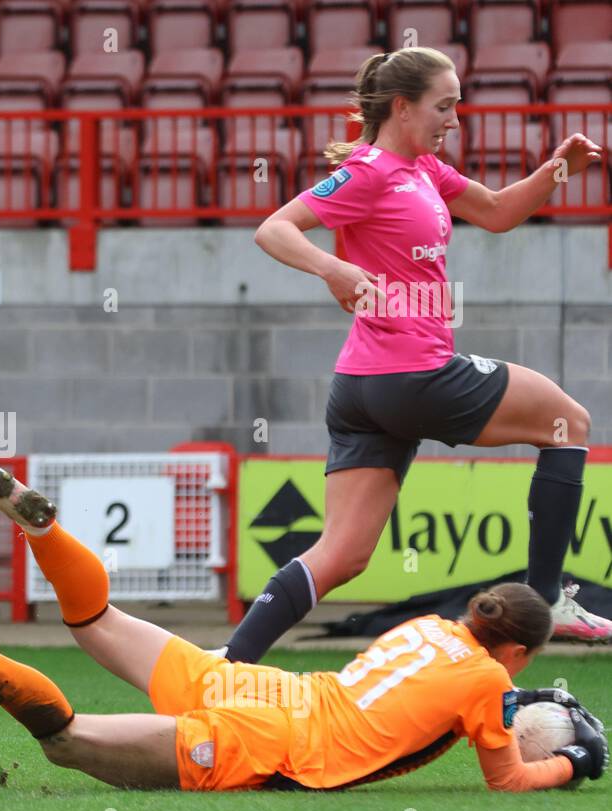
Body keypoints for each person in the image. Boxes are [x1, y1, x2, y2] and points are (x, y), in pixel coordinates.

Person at [0, 461, 608, 792]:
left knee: (95, 620)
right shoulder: (482, 678)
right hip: (273, 742)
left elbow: (429, 698)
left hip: (258, 685)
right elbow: (506, 778)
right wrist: (573, 762)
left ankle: (43, 530)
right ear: (513, 654)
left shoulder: (434, 630)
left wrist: (509, 699)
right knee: (65, 741)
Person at [228, 46, 609, 666]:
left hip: (363, 391)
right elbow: (274, 228)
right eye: (445, 105)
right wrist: (335, 269)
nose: (455, 117)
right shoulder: (370, 170)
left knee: (342, 555)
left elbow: (496, 212)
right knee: (569, 424)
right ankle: (547, 598)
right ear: (402, 108)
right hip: (412, 373)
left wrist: (556, 170)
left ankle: (229, 664)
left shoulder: (426, 168)